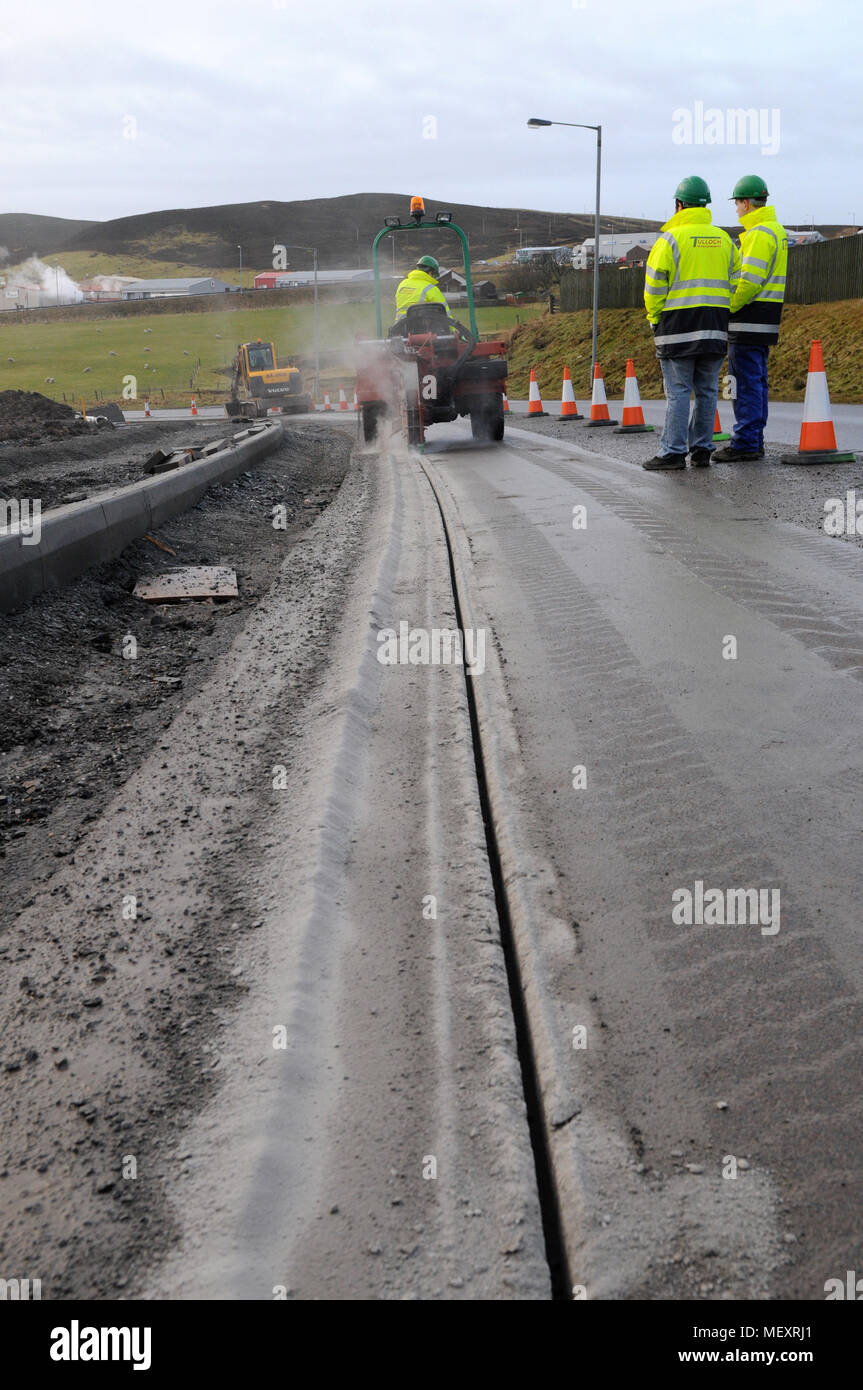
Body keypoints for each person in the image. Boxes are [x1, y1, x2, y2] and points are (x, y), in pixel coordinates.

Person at [642, 176, 739, 470]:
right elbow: (735, 283)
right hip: (715, 328)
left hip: (677, 330)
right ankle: (701, 450)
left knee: (679, 391)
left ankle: (672, 452)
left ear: (679, 205)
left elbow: (654, 288)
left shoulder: (670, 240)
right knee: (708, 390)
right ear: (705, 205)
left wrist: (654, 320)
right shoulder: (724, 239)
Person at [712, 176, 787, 462]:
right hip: (766, 316)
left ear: (745, 202)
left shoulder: (758, 233)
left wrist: (727, 308)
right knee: (756, 381)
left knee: (743, 382)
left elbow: (749, 282)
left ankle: (745, 442)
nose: (736, 210)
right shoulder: (775, 230)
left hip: (748, 318)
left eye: (737, 204)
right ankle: (753, 439)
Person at [393, 256, 451, 325]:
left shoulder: (402, 284)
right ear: (430, 272)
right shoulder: (431, 289)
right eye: (434, 275)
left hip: (399, 329)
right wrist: (456, 330)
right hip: (422, 330)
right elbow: (446, 315)